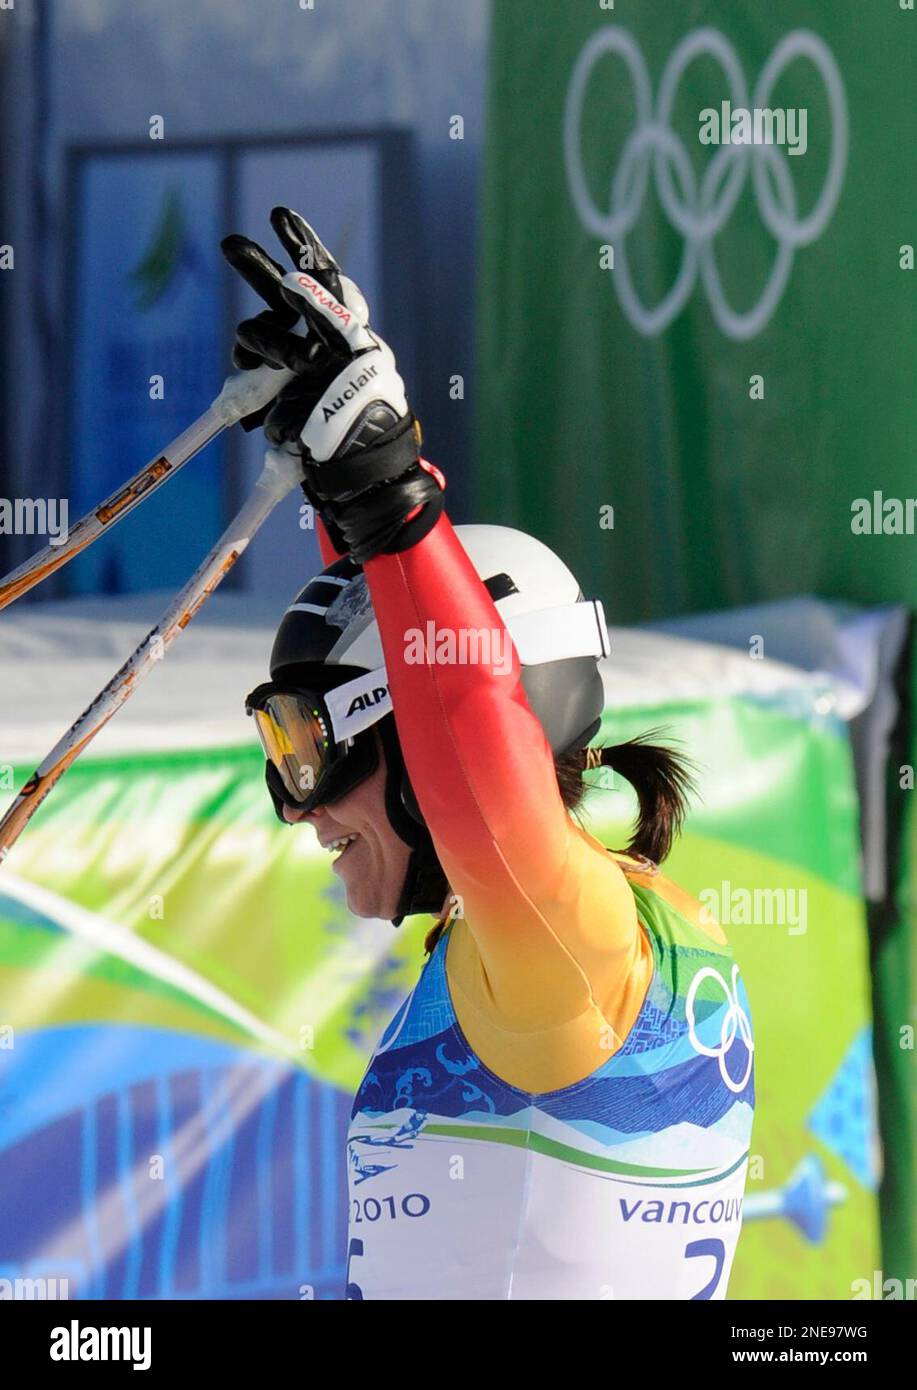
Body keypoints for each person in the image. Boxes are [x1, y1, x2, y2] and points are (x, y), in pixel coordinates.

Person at [222, 208, 755, 1301]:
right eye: (284, 745)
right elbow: (443, 697)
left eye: (314, 750)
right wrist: (348, 488)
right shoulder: (560, 937)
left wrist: (384, 482)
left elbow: (466, 729)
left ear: (415, 741)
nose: (299, 806)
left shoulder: (557, 943)